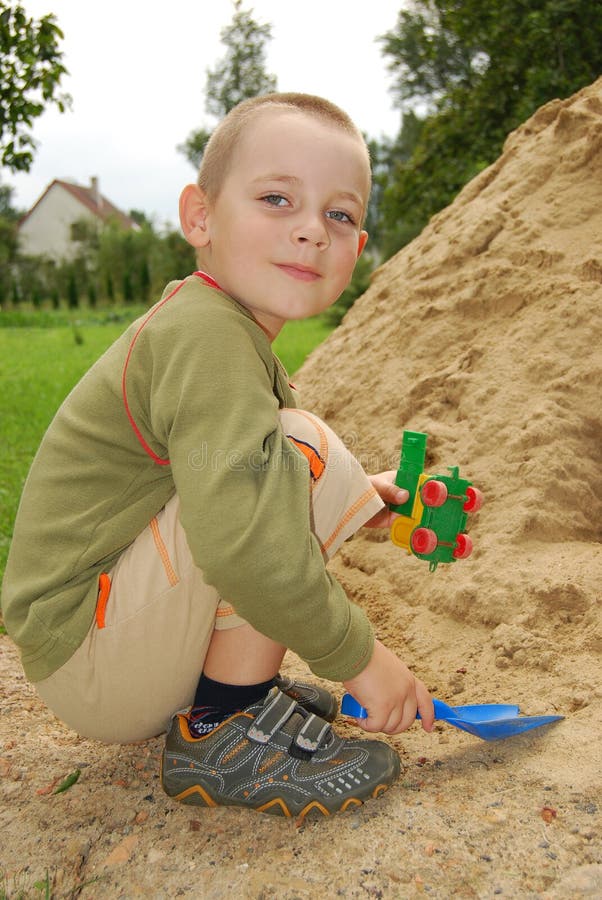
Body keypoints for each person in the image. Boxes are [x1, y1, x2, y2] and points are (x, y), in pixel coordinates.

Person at [1, 93, 434, 821]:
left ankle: (236, 694)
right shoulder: (206, 336)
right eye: (276, 198)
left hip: (101, 645)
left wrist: (365, 498)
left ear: (357, 251)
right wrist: (365, 663)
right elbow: (245, 530)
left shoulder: (220, 328)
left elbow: (228, 474)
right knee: (294, 451)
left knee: (291, 455)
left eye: (340, 215)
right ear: (200, 217)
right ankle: (224, 728)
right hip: (92, 658)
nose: (310, 232)